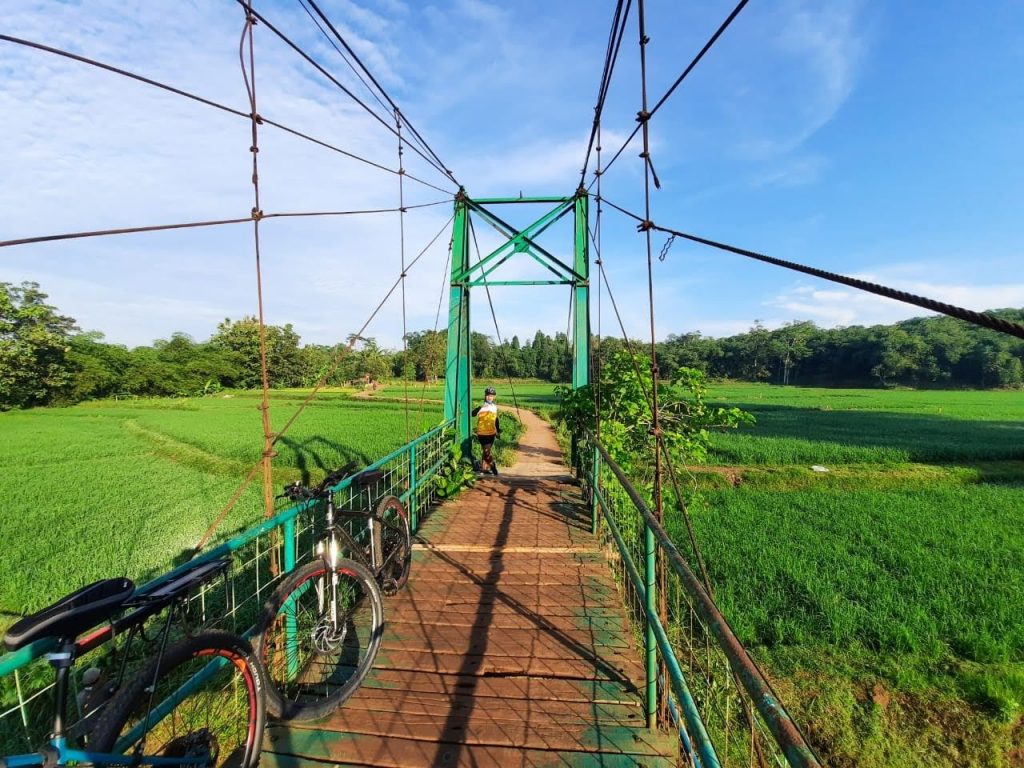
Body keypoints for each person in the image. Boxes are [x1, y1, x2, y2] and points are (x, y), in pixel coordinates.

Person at [471, 387, 501, 475]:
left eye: (491, 396)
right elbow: (472, 414)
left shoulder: (494, 407)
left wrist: (498, 431)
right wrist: (478, 408)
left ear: (494, 397)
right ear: (485, 396)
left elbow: (496, 420)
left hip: (492, 433)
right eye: (487, 395)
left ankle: (484, 469)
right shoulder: (481, 406)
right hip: (482, 433)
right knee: (487, 451)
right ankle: (493, 466)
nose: (489, 397)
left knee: (486, 451)